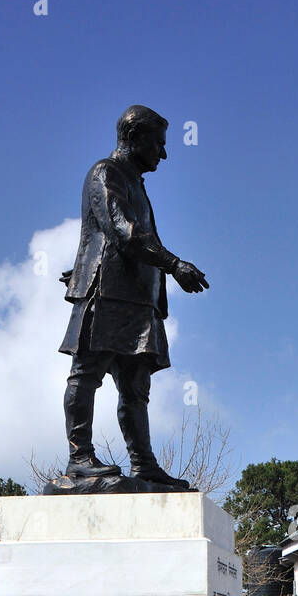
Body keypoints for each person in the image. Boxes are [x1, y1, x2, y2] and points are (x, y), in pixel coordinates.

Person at [58, 104, 209, 487]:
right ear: (134, 137)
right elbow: (122, 230)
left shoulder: (134, 182)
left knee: (136, 386)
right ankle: (79, 459)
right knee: (87, 371)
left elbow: (110, 237)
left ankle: (144, 466)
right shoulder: (105, 173)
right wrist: (174, 264)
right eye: (158, 143)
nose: (163, 153)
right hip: (107, 294)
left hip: (138, 300)